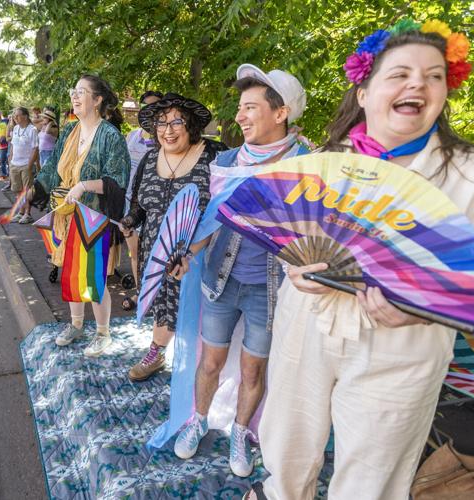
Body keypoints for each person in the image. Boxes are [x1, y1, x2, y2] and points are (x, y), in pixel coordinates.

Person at [243, 22, 474, 500]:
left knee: (372, 476)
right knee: (286, 449)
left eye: (432, 76)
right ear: (365, 88)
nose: (417, 84)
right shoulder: (330, 158)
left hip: (406, 343)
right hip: (306, 323)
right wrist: (295, 264)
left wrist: (423, 303)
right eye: (400, 73)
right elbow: (298, 234)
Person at [169, 66, 309, 479]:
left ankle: (241, 430)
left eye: (251, 107)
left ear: (280, 112)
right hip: (221, 280)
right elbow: (212, 220)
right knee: (210, 361)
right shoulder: (227, 160)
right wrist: (188, 253)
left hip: (272, 289)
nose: (241, 116)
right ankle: (198, 419)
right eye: (240, 108)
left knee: (253, 370)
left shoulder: (306, 163)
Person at [121, 93, 226, 382]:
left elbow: (228, 206)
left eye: (176, 121)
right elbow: (140, 204)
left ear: (190, 123)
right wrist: (130, 221)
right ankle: (156, 353)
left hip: (201, 255)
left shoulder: (214, 155)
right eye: (161, 123)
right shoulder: (150, 157)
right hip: (156, 251)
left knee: (201, 315)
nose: (167, 130)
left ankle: (203, 367)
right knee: (163, 305)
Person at [30, 74, 130, 356]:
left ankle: (102, 332)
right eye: (73, 91)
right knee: (70, 271)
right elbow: (52, 171)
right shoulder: (70, 132)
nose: (74, 96)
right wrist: (35, 188)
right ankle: (76, 325)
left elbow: (117, 181)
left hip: (94, 218)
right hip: (65, 215)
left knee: (93, 277)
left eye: (82, 92)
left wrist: (84, 185)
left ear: (97, 100)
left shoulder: (111, 136)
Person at [121, 90, 164, 309]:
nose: (151, 111)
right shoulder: (132, 136)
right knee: (135, 252)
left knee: (156, 253)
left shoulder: (167, 137)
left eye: (156, 106)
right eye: (146, 106)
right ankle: (142, 295)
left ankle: (158, 296)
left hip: (156, 205)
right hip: (132, 202)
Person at [7, 107, 40, 224]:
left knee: (26, 191)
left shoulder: (32, 130)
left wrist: (30, 165)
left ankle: (27, 214)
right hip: (14, 164)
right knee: (17, 190)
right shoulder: (15, 128)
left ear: (25, 116)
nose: (15, 118)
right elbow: (12, 146)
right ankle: (20, 212)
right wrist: (10, 160)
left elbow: (35, 149)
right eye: (14, 116)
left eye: (17, 115)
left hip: (26, 164)